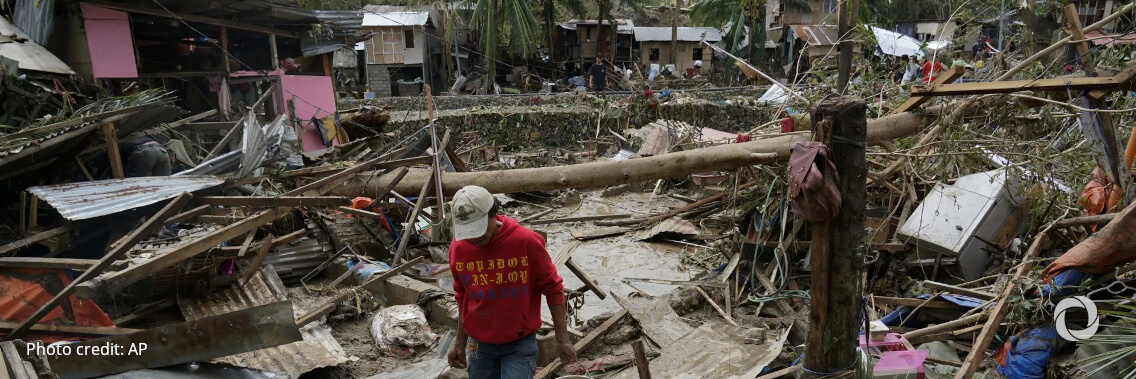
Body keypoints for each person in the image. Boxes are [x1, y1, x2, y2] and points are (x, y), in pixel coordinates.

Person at [446, 186, 575, 379]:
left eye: (479, 229)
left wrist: (562, 339)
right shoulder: (458, 248)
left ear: (493, 214)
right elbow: (463, 297)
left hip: (518, 342)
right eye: (469, 232)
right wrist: (459, 344)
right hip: (479, 344)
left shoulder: (525, 241)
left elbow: (553, 288)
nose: (475, 237)